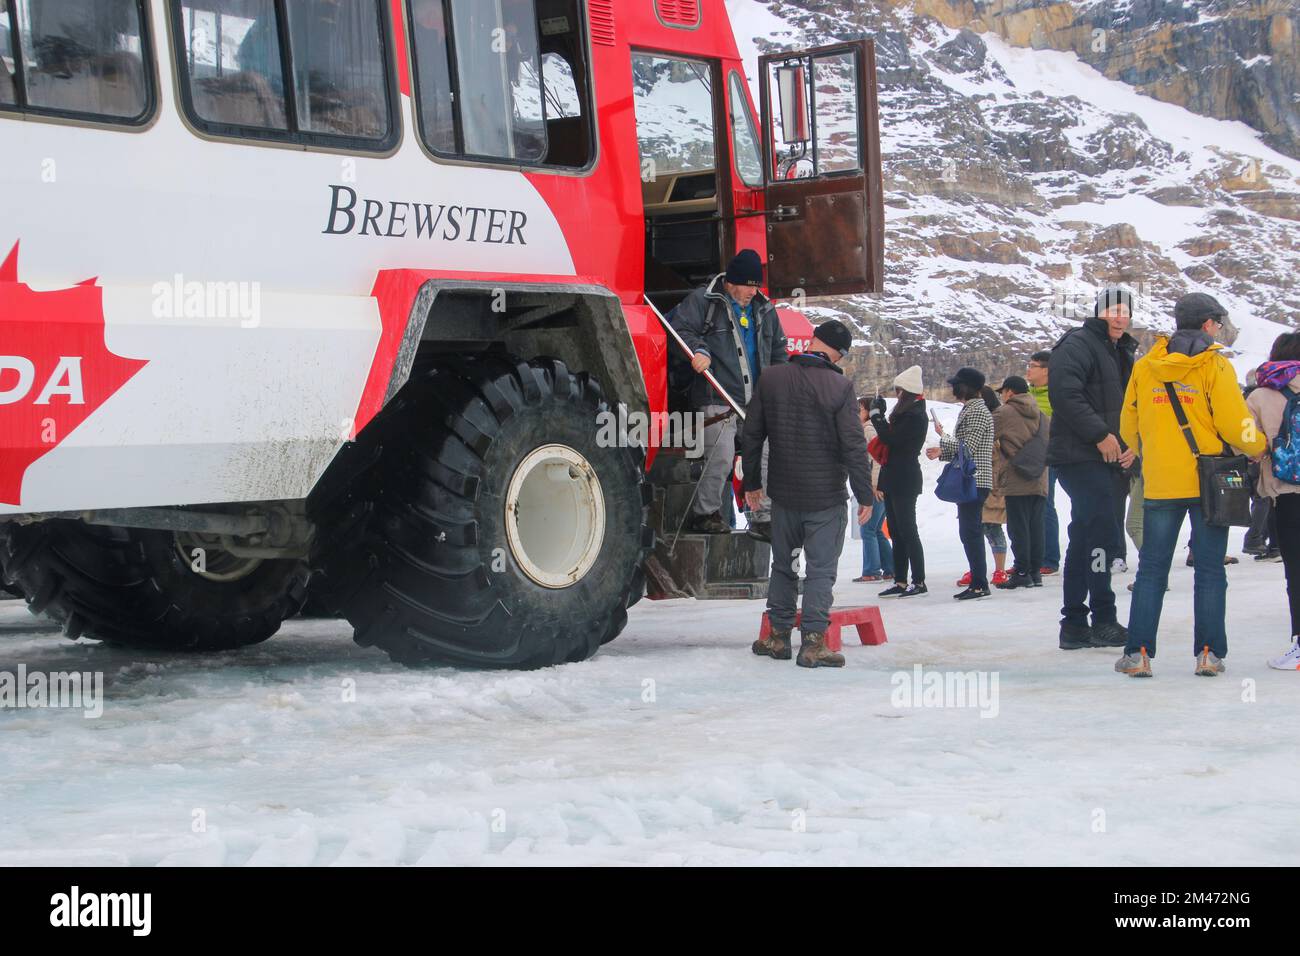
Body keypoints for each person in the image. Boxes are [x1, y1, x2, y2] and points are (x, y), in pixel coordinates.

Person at [1114, 293, 1266, 678]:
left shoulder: (1146, 365)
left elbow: (1128, 421)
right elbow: (1234, 421)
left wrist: (1144, 454)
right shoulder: (1214, 365)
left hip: (1161, 482)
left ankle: (1138, 654)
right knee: (1211, 570)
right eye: (1217, 323)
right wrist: (1258, 446)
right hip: (1207, 482)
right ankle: (1208, 654)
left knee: (1152, 570)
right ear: (1207, 325)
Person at [742, 321, 873, 668]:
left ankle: (778, 637)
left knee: (784, 566)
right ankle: (814, 643)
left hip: (783, 496)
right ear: (839, 354)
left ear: (814, 340)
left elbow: (751, 434)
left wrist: (751, 483)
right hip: (826, 498)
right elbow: (854, 446)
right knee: (820, 570)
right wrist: (865, 494)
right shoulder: (840, 386)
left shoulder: (771, 377)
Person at [670, 249, 788, 537]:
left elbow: (778, 351)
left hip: (756, 401)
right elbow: (678, 329)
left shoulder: (765, 309)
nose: (752, 291)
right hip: (716, 397)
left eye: (756, 286)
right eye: (748, 285)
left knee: (766, 455)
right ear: (731, 282)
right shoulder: (703, 300)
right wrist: (698, 349)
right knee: (720, 455)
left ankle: (762, 517)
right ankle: (705, 513)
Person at [1047, 287, 1137, 650]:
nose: (1120, 317)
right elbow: (1065, 393)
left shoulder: (1122, 351)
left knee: (1087, 535)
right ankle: (1102, 618)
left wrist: (1132, 445)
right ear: (1099, 312)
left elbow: (1131, 406)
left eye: (1125, 311)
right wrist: (1100, 435)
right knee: (1100, 535)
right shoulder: (1079, 344)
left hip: (1110, 458)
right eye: (1113, 310)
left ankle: (1073, 623)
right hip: (1080, 456)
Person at [1246, 333, 1300, 670]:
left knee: (1296, 570)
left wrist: (1263, 452)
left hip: (1288, 492)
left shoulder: (1261, 394)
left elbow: (1246, 441)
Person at [928, 367, 995, 600]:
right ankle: (978, 581)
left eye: (957, 384)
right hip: (974, 479)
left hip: (975, 479)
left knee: (971, 531)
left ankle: (979, 583)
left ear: (966, 387)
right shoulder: (973, 409)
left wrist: (942, 446)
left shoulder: (976, 411)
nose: (953, 388)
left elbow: (969, 446)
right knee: (969, 531)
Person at [870, 366, 929, 597]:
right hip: (895, 475)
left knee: (907, 529)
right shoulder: (907, 413)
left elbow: (891, 438)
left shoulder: (915, 415)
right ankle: (901, 579)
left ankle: (919, 580)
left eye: (898, 390)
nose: (896, 395)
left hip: (905, 477)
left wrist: (877, 417)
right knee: (895, 529)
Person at [992, 376, 1050, 589]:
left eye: (1002, 393)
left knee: (1019, 528)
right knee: (1036, 526)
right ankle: (1035, 572)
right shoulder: (1041, 414)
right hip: (1039, 476)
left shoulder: (1005, 412)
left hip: (1017, 477)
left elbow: (986, 436)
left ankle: (1022, 571)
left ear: (1009, 392)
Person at [957, 386, 1009, 588]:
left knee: (991, 527)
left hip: (990, 482)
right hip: (982, 480)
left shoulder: (988, 420)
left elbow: (983, 450)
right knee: (976, 528)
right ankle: (979, 568)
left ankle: (999, 569)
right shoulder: (989, 418)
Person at [1027, 351, 1061, 574]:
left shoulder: (1055, 395)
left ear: (1046, 370)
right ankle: (1030, 557)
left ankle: (1049, 559)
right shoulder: (1028, 394)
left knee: (1045, 505)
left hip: (1048, 457)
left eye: (1033, 366)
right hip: (1027, 457)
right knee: (1029, 507)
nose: (1028, 369)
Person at [855, 397, 893, 582]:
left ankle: (871, 571)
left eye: (860, 409)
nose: (857, 412)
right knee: (876, 529)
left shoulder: (869, 429)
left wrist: (876, 484)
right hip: (882, 483)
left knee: (868, 529)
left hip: (875, 486)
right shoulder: (875, 428)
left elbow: (877, 458)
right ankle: (889, 568)